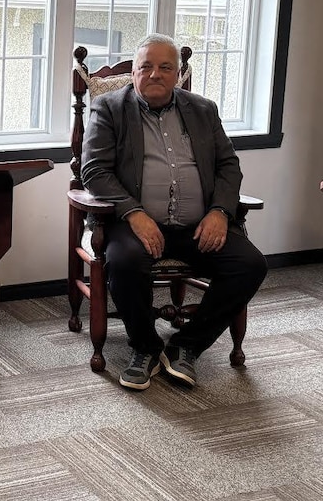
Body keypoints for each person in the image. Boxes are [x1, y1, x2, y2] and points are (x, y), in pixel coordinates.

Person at [81, 33, 267, 391]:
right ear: (133, 73)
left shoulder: (203, 109)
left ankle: (187, 345)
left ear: (178, 74)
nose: (155, 74)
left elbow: (229, 166)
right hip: (133, 225)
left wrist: (219, 212)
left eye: (165, 67)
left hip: (197, 226)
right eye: (145, 67)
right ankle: (145, 348)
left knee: (251, 265)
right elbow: (94, 171)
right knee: (123, 262)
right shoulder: (109, 108)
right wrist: (135, 214)